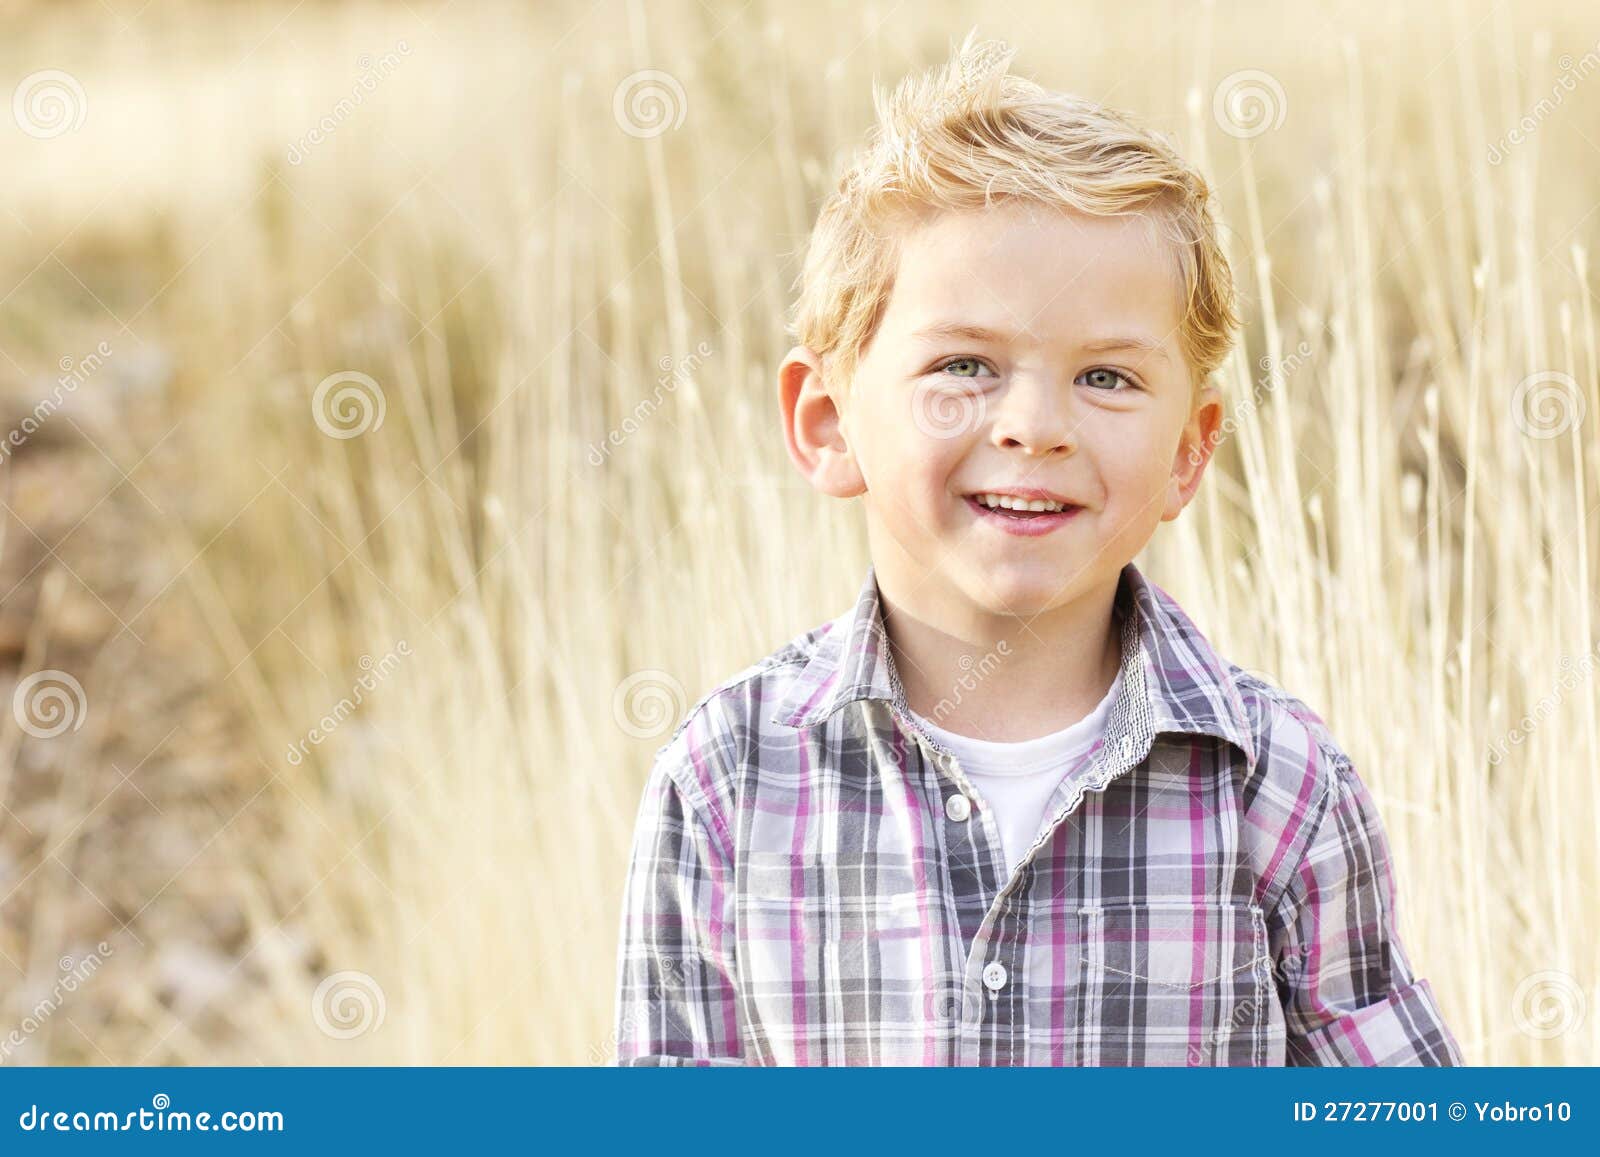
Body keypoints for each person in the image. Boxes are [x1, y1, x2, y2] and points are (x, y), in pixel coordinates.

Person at [611, 31, 1464, 1066]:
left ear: (1188, 452)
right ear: (829, 421)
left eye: (1105, 377)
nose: (1034, 425)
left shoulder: (1275, 784)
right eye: (965, 363)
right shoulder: (730, 778)